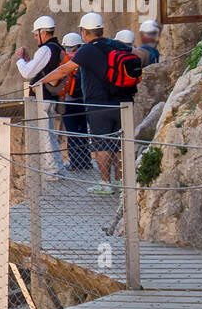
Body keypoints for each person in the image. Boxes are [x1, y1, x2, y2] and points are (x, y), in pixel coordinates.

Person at [40, 12, 141, 194]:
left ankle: (105, 183)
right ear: (101, 29)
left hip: (99, 104)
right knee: (118, 143)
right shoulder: (117, 45)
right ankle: (119, 181)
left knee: (101, 144)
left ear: (84, 32)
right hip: (124, 102)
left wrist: (39, 82)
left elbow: (64, 70)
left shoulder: (86, 50)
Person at [16, 15, 69, 172]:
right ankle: (58, 168)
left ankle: (52, 171)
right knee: (50, 134)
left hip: (43, 97)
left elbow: (27, 72)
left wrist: (20, 59)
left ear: (42, 32)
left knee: (45, 136)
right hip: (52, 96)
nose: (34, 37)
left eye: (35, 34)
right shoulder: (58, 48)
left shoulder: (46, 49)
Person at [58, 32, 91, 170]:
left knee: (72, 133)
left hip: (68, 102)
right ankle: (86, 161)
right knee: (83, 131)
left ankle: (75, 162)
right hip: (83, 101)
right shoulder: (85, 59)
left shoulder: (65, 60)